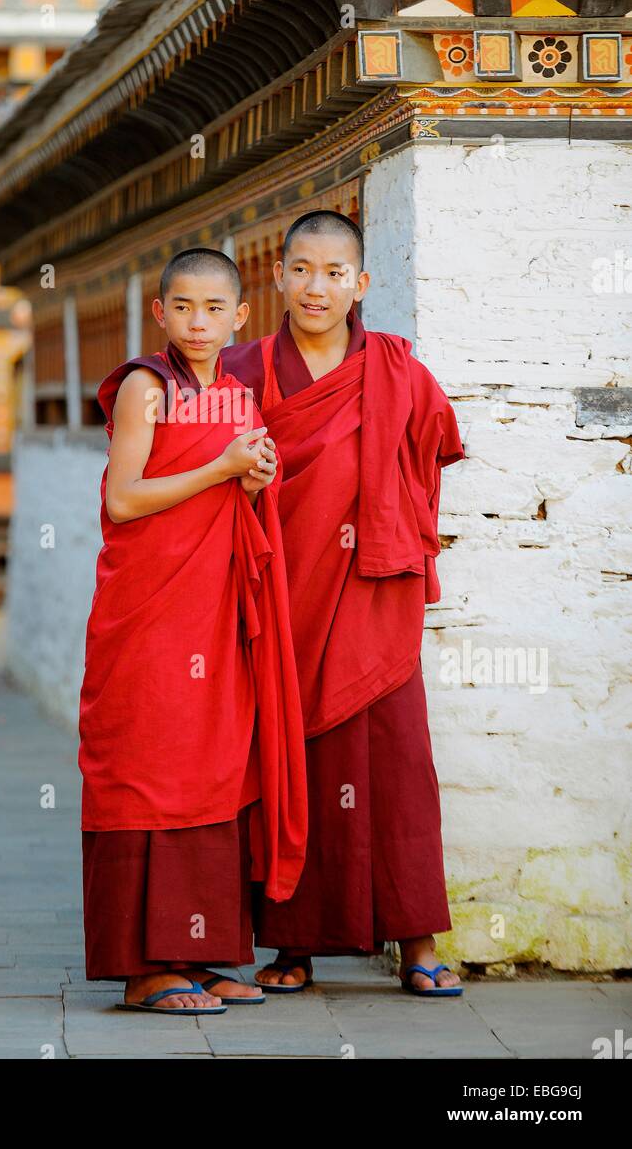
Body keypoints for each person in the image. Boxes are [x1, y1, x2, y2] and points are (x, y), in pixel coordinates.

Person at [222, 210, 467, 998]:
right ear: (277, 277)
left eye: (334, 273)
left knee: (396, 767)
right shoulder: (243, 371)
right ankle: (292, 944)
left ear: (361, 284)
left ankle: (419, 940)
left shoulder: (397, 368)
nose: (316, 287)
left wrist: (387, 527)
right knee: (288, 766)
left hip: (369, 598)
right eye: (301, 270)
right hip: (279, 595)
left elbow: (433, 448)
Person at [79, 247, 308, 1014]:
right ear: (160, 314)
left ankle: (203, 954)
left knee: (213, 763)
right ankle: (146, 967)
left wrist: (254, 477)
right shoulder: (149, 386)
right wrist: (221, 469)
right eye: (182, 308)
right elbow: (125, 499)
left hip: (213, 607)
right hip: (149, 610)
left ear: (241, 317)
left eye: (214, 310)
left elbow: (242, 487)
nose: (198, 323)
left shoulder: (237, 395)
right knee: (150, 759)